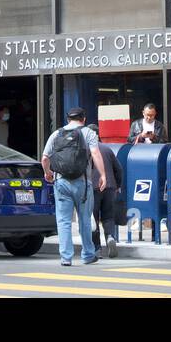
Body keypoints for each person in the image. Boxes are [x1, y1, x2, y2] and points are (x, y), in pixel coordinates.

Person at [42, 107, 107, 266]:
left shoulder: (57, 134)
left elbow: (44, 158)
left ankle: (66, 257)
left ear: (68, 119)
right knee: (85, 220)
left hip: (61, 182)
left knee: (63, 221)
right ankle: (88, 255)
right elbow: (96, 154)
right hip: (83, 183)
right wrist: (103, 175)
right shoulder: (88, 133)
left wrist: (48, 173)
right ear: (83, 119)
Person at [87, 124, 124, 258]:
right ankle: (110, 237)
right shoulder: (107, 149)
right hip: (110, 187)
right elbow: (119, 169)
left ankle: (97, 249)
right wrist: (118, 185)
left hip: (93, 188)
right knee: (108, 216)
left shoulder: (87, 149)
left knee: (93, 219)